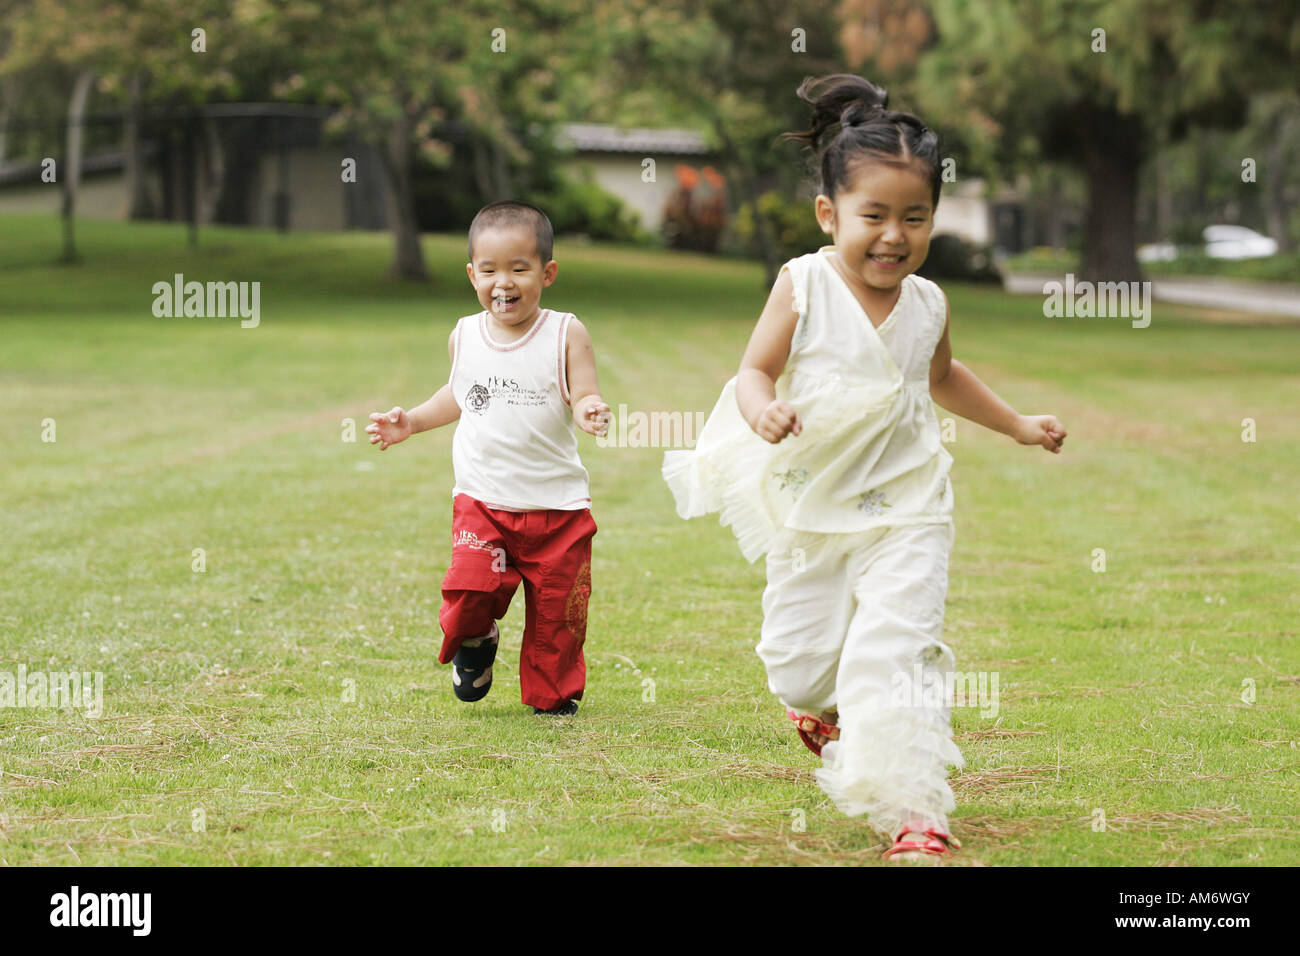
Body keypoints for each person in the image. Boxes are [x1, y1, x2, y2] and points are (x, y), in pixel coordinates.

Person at [663, 75, 1067, 862]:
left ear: (933, 221)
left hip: (910, 510)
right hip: (814, 507)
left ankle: (914, 813)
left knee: (894, 650)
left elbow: (942, 377)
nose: (893, 236)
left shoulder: (929, 303)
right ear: (830, 214)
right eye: (873, 216)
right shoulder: (804, 284)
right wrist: (761, 409)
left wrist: (1017, 424)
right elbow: (753, 370)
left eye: (913, 218)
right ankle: (825, 716)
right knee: (799, 668)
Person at [367, 201, 611, 716]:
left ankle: (553, 694)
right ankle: (476, 641)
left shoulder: (566, 332)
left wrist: (589, 408)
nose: (505, 282)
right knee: (469, 589)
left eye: (520, 268)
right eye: (490, 270)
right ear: (472, 274)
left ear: (547, 273)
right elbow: (456, 394)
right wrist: (410, 421)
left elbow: (584, 390)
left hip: (557, 507)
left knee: (559, 613)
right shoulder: (465, 334)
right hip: (482, 499)